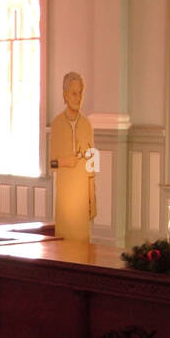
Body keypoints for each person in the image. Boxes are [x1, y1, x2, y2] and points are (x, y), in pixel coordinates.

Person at [49, 71, 97, 241]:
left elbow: (92, 164)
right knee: (64, 246)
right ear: (65, 95)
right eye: (74, 93)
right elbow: (50, 164)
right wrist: (65, 161)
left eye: (81, 93)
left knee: (83, 247)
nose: (78, 98)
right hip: (65, 198)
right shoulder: (57, 124)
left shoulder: (87, 125)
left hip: (82, 198)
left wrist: (92, 199)